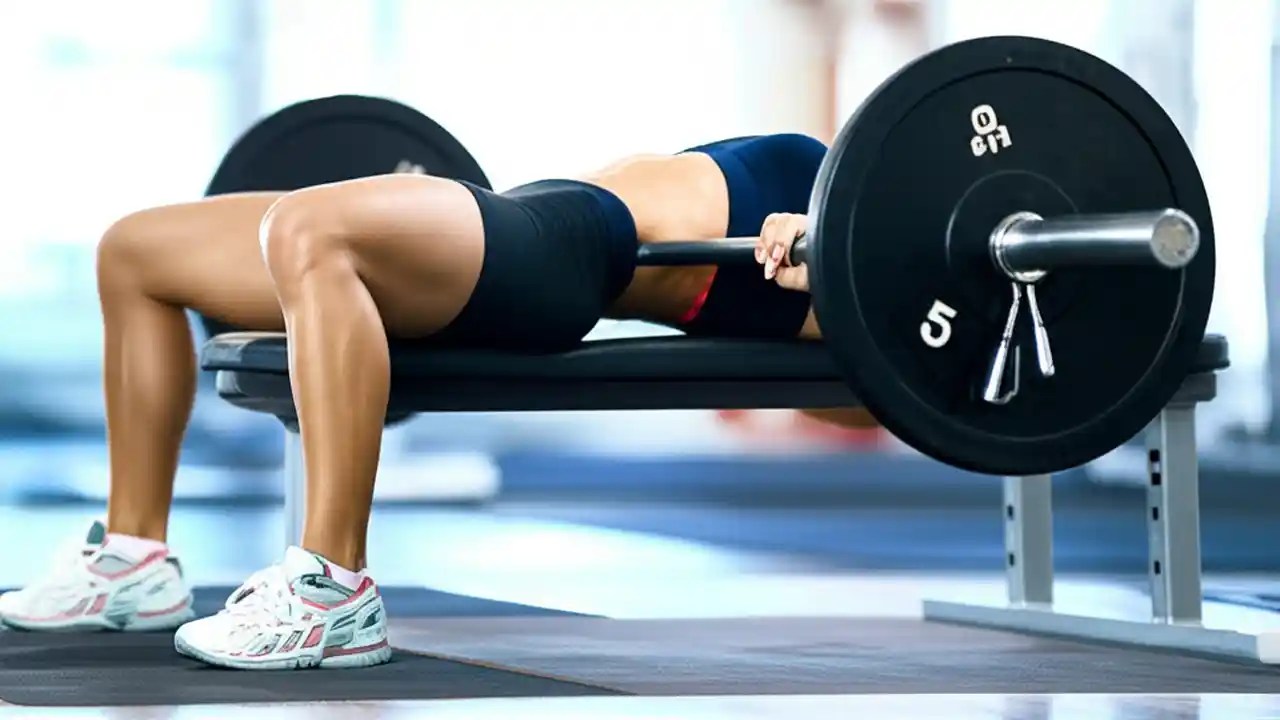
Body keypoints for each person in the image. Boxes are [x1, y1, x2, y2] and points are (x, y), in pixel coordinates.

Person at [0, 132, 873, 670]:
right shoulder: (867, 169)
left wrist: (828, 269)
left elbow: (879, 394)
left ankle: (331, 593)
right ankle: (133, 565)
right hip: (524, 221)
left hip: (565, 257)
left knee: (310, 228)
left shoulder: (867, 260)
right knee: (135, 251)